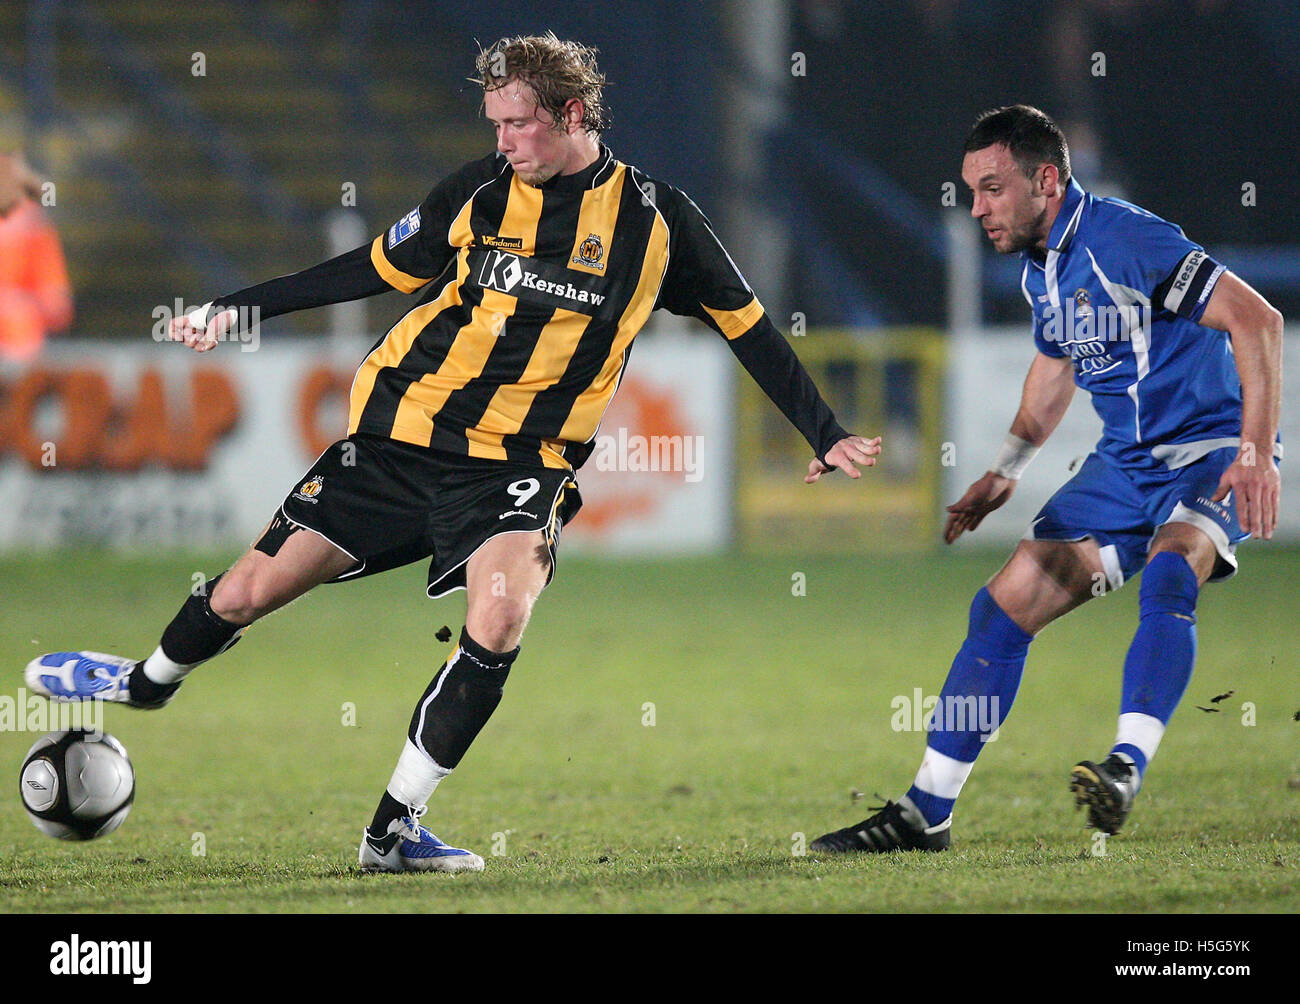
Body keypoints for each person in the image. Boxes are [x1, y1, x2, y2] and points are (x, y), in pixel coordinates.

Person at [26, 33, 881, 872]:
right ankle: (147, 681)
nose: (502, 143)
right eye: (494, 126)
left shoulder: (658, 223)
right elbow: (370, 269)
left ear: (573, 113)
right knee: (247, 593)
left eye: (516, 124)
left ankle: (392, 831)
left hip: (521, 464)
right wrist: (233, 309)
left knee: (501, 612)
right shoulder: (479, 191)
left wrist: (825, 431)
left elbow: (749, 327)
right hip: (397, 441)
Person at [811, 105, 1282, 854]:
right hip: (1123, 466)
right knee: (1003, 607)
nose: (977, 209)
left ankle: (1125, 766)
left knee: (1171, 570)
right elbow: (1056, 365)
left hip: (1207, 448)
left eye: (992, 188)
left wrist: (1254, 452)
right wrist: (1007, 470)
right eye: (971, 191)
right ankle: (927, 808)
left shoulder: (1127, 238)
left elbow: (1256, 319)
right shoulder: (1043, 268)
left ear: (1047, 180)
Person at [0, 152, 72, 362]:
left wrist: (17, 303)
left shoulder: (33, 230)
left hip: (18, 355)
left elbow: (58, 307)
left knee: (18, 318)